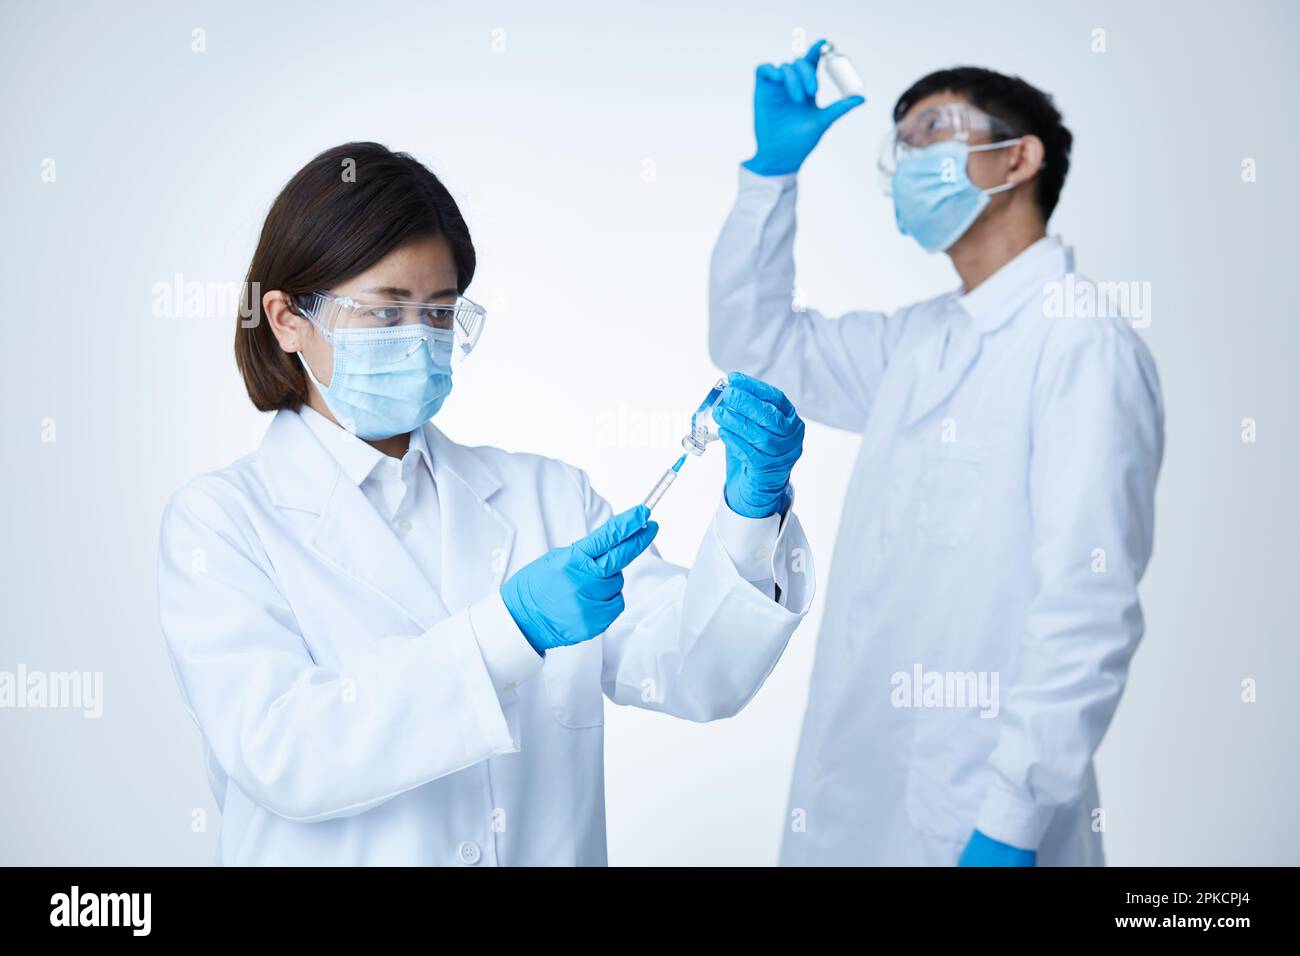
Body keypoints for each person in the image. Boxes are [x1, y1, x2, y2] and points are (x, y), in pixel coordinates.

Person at [157, 142, 814, 866]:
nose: (421, 340)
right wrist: (513, 629)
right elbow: (285, 751)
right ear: (285, 318)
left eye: (440, 315)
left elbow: (698, 674)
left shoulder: (548, 498)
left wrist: (755, 509)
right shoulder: (221, 524)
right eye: (386, 313)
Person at [709, 43, 1163, 866]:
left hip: (979, 816)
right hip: (860, 800)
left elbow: (1087, 611)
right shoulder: (919, 343)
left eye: (933, 131)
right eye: (903, 144)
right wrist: (771, 176)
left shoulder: (1081, 347)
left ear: (1019, 157)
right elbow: (756, 345)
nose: (911, 157)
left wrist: (1010, 826)